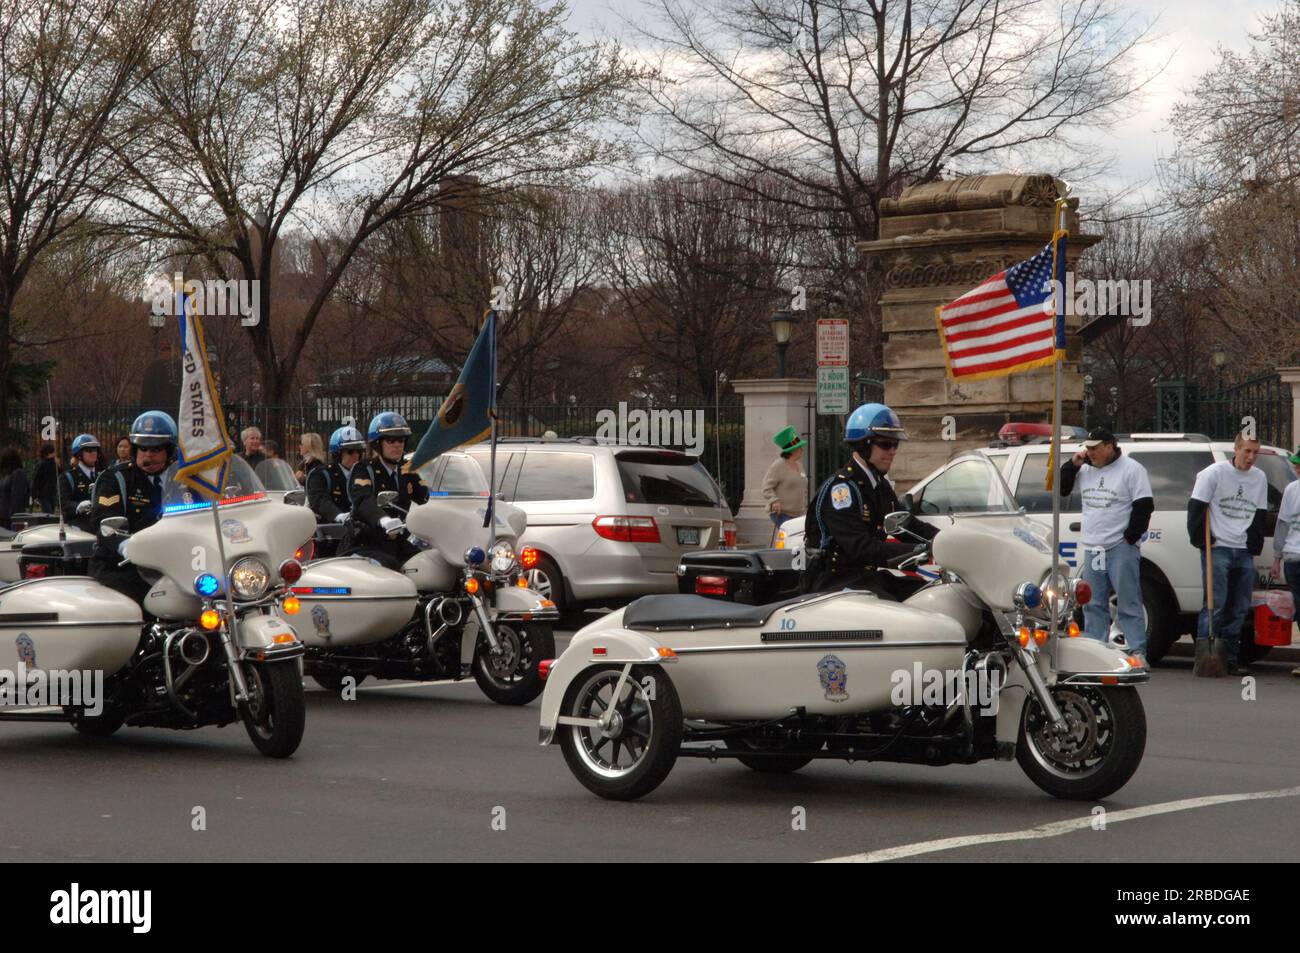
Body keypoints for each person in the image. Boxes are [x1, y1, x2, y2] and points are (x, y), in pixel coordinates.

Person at [801, 402, 937, 600]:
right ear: (863, 445)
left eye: (895, 444)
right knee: (903, 617)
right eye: (885, 444)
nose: (893, 451)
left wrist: (944, 541)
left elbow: (906, 525)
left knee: (930, 592)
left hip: (866, 579)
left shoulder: (879, 485)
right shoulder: (842, 491)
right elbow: (861, 548)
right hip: (835, 584)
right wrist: (920, 550)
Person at [1058, 427, 1154, 667]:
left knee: (1128, 599)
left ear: (1109, 446)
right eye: (1087, 448)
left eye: (1094, 448)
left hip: (1119, 546)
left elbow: (1144, 505)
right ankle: (1096, 651)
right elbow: (1061, 488)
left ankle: (1137, 651)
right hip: (1093, 547)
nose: (1089, 453)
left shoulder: (1132, 469)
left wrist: (1130, 537)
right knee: (1093, 603)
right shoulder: (1085, 469)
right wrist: (1072, 464)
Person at [1187, 431, 1269, 675]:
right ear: (1236, 449)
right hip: (1218, 547)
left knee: (1240, 606)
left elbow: (1259, 513)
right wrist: (1203, 540)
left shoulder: (1259, 477)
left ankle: (1230, 659)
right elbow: (1196, 509)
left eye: (1255, 452)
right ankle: (1206, 657)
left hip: (1242, 549)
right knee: (1216, 604)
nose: (1251, 457)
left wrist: (1254, 545)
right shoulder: (1214, 474)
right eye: (1247, 451)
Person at [88, 411, 175, 605]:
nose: (148, 454)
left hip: (171, 565)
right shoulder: (116, 479)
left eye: (156, 449)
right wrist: (127, 547)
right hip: (122, 568)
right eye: (142, 448)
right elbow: (105, 522)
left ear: (169, 451)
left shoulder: (181, 482)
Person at [343, 412, 429, 568]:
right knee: (390, 565)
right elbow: (363, 499)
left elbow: (425, 496)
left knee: (429, 561)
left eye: (401, 440)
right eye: (391, 440)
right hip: (366, 544)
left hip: (398, 542)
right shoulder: (364, 469)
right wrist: (383, 519)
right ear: (377, 444)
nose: (397, 445)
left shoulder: (407, 470)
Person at [1271, 447, 1300, 678]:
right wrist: (1277, 558)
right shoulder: (1292, 489)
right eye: (1296, 464)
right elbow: (1283, 524)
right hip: (1293, 556)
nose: (1297, 468)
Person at [307, 428, 363, 523]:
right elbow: (320, 500)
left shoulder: (364, 473)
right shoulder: (321, 474)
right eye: (350, 451)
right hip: (332, 531)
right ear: (337, 454)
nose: (355, 455)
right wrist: (338, 515)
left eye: (358, 451)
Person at [761, 425, 808, 532]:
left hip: (799, 514)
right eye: (800, 447)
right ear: (793, 450)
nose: (802, 449)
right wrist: (774, 500)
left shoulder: (800, 466)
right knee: (791, 535)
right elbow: (766, 487)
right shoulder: (778, 465)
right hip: (782, 513)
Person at [61, 434, 105, 531]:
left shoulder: (102, 476)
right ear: (79, 454)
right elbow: (64, 503)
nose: (93, 453)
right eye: (89, 450)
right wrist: (78, 507)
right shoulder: (68, 477)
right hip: (77, 526)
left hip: (99, 526)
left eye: (95, 450)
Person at [0, 447, 31, 530]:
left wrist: (12, 517)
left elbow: (17, 498)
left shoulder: (17, 474)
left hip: (9, 519)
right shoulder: (6, 475)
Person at [31, 442, 58, 514]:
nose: (54, 453)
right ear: (48, 453)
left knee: (51, 512)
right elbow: (36, 480)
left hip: (52, 493)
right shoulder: (41, 464)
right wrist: (34, 495)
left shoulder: (54, 464)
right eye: (52, 452)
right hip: (44, 494)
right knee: (47, 513)